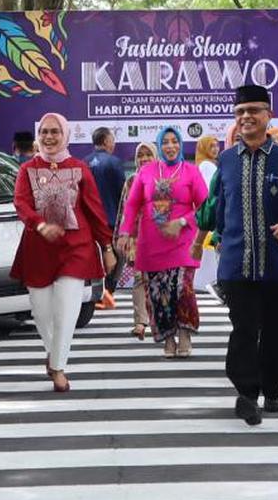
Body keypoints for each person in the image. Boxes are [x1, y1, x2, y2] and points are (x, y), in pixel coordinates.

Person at [207, 85, 278, 426]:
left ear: (268, 115)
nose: (246, 117)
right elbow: (221, 209)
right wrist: (219, 241)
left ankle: (273, 389)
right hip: (238, 264)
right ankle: (246, 394)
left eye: (253, 110)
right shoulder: (226, 160)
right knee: (244, 329)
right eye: (240, 112)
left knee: (277, 331)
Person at [12, 113, 116, 392]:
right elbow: (21, 203)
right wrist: (40, 224)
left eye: (55, 131)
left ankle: (57, 367)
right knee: (42, 313)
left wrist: (106, 247)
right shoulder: (27, 169)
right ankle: (52, 352)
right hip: (38, 249)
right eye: (44, 132)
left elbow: (95, 211)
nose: (49, 137)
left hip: (76, 247)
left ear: (65, 134)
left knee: (67, 310)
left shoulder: (80, 168)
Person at [117, 127, 207, 357]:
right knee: (158, 294)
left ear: (180, 144)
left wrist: (183, 222)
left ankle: (184, 334)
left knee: (182, 290)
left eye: (174, 141)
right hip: (151, 245)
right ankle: (168, 339)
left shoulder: (191, 171)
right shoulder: (146, 172)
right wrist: (125, 232)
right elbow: (132, 204)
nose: (170, 146)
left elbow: (205, 207)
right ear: (159, 146)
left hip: (183, 243)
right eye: (165, 142)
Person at [116, 142, 157, 338]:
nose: (144, 158)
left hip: (159, 237)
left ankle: (158, 320)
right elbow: (124, 210)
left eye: (148, 154)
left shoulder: (163, 178)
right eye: (140, 155)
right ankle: (140, 322)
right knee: (140, 278)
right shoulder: (131, 180)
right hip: (136, 237)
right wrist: (120, 236)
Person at [84, 127, 124, 309]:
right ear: (107, 141)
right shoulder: (114, 163)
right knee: (116, 257)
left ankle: (98, 292)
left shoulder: (84, 163)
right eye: (112, 140)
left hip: (89, 221)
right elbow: (123, 193)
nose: (114, 143)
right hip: (111, 219)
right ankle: (107, 291)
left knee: (96, 257)